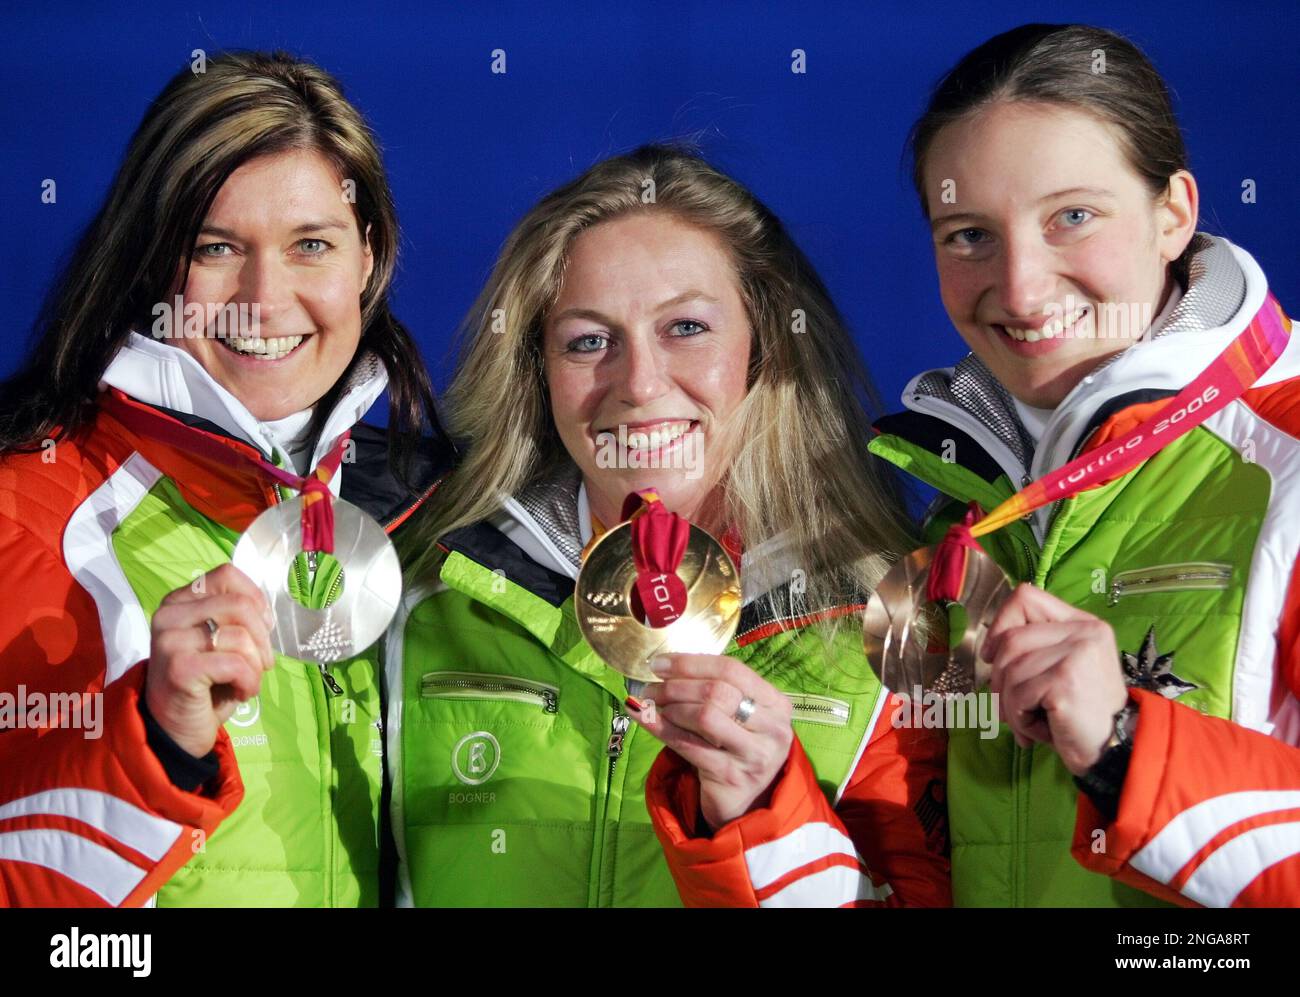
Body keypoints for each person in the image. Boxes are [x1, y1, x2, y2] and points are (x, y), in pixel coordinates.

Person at [667, 23, 1300, 907]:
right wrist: (758, 809)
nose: (1022, 286)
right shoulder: (958, 518)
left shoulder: (1286, 461)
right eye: (968, 235)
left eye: (1072, 217)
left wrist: (1126, 749)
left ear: (1176, 213)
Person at [388, 145, 951, 907]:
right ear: (536, 370)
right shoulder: (419, 589)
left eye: (686, 327)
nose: (641, 384)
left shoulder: (900, 628)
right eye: (589, 340)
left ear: (765, 348)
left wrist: (764, 815)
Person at [0, 51, 450, 907]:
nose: (262, 297)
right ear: (147, 265)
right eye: (215, 248)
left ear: (369, 256)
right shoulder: (28, 509)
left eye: (309, 245)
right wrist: (159, 745)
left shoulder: (441, 517)